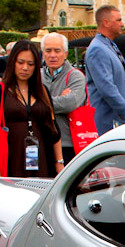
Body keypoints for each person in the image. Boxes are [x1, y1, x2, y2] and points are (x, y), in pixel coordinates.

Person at [0, 41, 62, 178]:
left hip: (42, 157)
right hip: (10, 158)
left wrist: (59, 162)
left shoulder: (42, 91)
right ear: (13, 62)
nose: (25, 68)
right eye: (20, 62)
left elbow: (53, 129)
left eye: (30, 64)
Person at [87, 5, 125, 134]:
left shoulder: (110, 45)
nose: (122, 24)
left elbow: (116, 82)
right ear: (106, 23)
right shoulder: (97, 49)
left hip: (117, 122)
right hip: (108, 123)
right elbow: (107, 89)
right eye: (118, 20)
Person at [41, 32, 86, 165]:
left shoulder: (75, 76)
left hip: (68, 143)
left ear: (65, 53)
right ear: (43, 53)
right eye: (48, 50)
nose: (52, 55)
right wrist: (59, 98)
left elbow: (69, 104)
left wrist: (40, 102)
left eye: (57, 51)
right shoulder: (37, 76)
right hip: (43, 141)